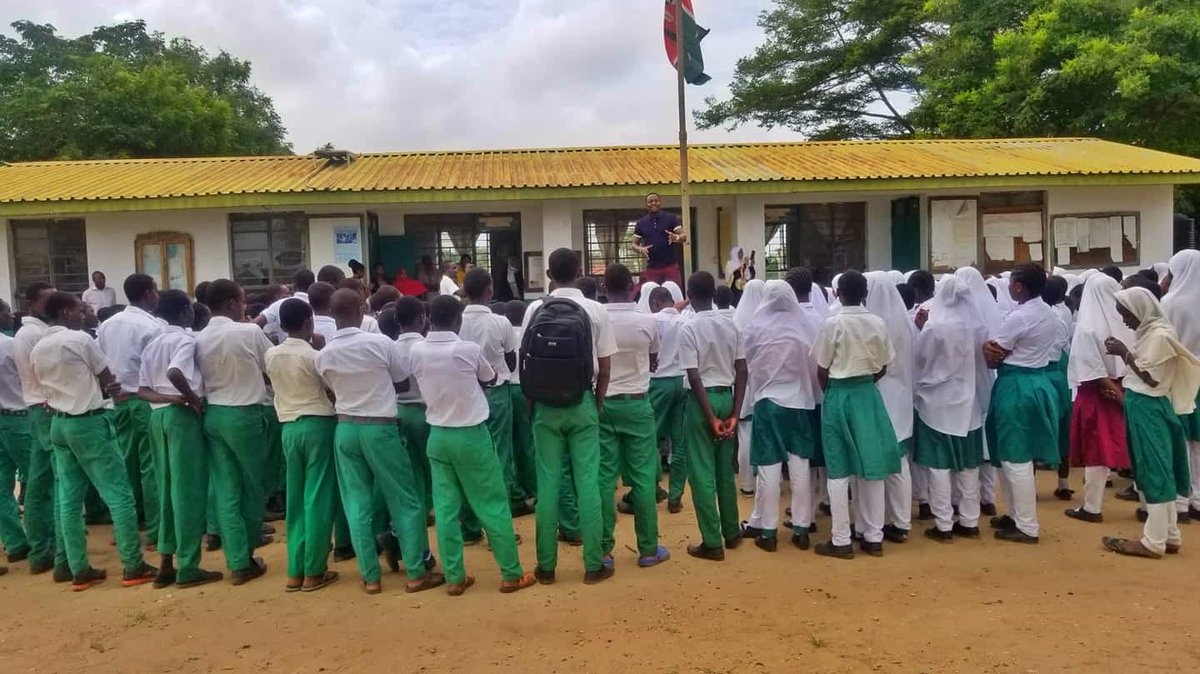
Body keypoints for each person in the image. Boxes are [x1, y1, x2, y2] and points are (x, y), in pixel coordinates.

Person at [315, 289, 442, 595]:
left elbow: (329, 387)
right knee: (405, 498)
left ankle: (370, 577)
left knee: (356, 503)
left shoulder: (323, 354)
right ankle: (415, 572)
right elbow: (400, 381)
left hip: (345, 427)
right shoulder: (380, 343)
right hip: (380, 426)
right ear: (361, 309)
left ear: (333, 314)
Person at [410, 296, 537, 595]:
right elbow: (490, 377)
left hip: (438, 435)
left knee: (445, 509)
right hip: (470, 433)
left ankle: (454, 577)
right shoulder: (467, 349)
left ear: (429, 319)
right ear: (457, 320)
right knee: (492, 503)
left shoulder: (416, 350)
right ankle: (510, 573)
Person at [30, 291, 157, 590]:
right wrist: (109, 387)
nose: (84, 313)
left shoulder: (39, 346)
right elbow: (107, 378)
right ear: (64, 312)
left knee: (70, 501)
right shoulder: (80, 340)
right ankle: (132, 565)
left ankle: (79, 569)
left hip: (59, 424)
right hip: (88, 421)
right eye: (78, 309)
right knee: (119, 495)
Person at [520, 248, 617, 584]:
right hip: (582, 403)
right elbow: (604, 367)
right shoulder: (596, 310)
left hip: (545, 408)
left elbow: (525, 363)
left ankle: (546, 567)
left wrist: (533, 405)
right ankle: (593, 565)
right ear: (579, 270)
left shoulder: (535, 308)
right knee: (587, 482)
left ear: (549, 273)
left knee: (548, 485)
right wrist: (597, 402)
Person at [1102, 287, 1200, 558]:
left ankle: (1152, 541)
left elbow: (1151, 378)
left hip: (1149, 407)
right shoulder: (1152, 332)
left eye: (1126, 315)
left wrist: (1124, 353)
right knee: (1159, 467)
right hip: (1144, 406)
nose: (1125, 321)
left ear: (1139, 311)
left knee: (1154, 468)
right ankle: (1169, 535)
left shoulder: (1159, 335)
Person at [137, 289, 223, 589]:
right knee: (187, 492)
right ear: (186, 310)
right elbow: (176, 371)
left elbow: (142, 390)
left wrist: (167, 399)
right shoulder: (185, 340)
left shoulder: (153, 342)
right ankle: (188, 566)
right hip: (181, 418)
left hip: (157, 416)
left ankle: (165, 562)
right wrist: (190, 399)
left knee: (166, 489)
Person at [812, 271, 900, 559]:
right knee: (871, 465)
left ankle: (841, 539)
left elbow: (822, 368)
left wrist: (834, 393)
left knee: (838, 468)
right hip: (867, 393)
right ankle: (873, 535)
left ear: (837, 294)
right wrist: (864, 384)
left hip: (838, 392)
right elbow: (885, 365)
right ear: (865, 294)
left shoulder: (832, 324)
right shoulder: (877, 322)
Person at [194, 279, 272, 585]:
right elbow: (273, 364)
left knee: (226, 489)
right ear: (231, 303)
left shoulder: (199, 338)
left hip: (214, 414)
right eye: (241, 301)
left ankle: (237, 560)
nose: (244, 307)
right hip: (245, 415)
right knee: (252, 489)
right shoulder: (249, 331)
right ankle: (246, 558)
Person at [739, 277, 822, 552]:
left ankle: (768, 531)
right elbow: (814, 364)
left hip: (768, 401)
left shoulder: (755, 328)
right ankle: (801, 529)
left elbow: (749, 365)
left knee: (769, 468)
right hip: (799, 402)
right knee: (799, 468)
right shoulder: (804, 327)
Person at [264, 299, 340, 593]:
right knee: (318, 497)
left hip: (289, 428)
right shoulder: (314, 356)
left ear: (282, 326)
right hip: (318, 424)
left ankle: (295, 571)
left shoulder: (271, 354)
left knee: (296, 500)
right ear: (310, 323)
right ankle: (314, 569)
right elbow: (332, 389)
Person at [598, 264, 670, 568]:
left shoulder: (595, 320)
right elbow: (654, 361)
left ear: (604, 287)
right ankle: (649, 549)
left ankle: (603, 550)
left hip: (603, 404)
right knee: (642, 477)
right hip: (638, 404)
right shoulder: (647, 321)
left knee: (603, 478)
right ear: (633, 286)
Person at [984, 263, 1060, 545]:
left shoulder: (1020, 317)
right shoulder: (1048, 313)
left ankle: (1027, 524)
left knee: (1015, 457)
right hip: (1035, 380)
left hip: (1016, 383)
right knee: (1011, 454)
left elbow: (994, 354)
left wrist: (987, 349)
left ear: (1018, 286)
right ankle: (1015, 514)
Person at [678, 271, 747, 562]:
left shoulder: (689, 328)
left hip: (701, 402)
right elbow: (742, 370)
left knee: (702, 473)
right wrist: (734, 413)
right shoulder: (731, 325)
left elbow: (693, 376)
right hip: (726, 397)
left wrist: (709, 418)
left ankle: (711, 541)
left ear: (690, 296)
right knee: (723, 471)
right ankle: (731, 533)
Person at [912, 276, 984, 542]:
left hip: (937, 402)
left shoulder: (935, 327)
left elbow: (921, 358)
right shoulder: (975, 326)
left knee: (938, 466)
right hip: (968, 402)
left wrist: (921, 327)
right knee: (967, 466)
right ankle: (969, 520)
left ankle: (943, 524)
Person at [97, 273, 164, 551]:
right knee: (151, 464)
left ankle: (127, 524)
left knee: (126, 462)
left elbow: (101, 361)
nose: (157, 296)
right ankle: (156, 530)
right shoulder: (152, 326)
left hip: (118, 399)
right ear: (148, 293)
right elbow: (156, 366)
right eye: (156, 291)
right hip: (143, 398)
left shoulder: (107, 325)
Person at [459, 269, 527, 526]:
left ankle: (470, 523)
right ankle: (499, 518)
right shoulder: (500, 323)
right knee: (500, 454)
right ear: (489, 290)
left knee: (469, 458)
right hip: (497, 393)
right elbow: (511, 360)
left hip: (465, 394)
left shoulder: (456, 321)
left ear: (465, 291)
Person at [1064, 274, 1132, 523]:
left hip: (1097, 395)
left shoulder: (1086, 327)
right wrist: (1123, 393)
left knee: (1096, 450)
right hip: (1127, 389)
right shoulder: (1126, 321)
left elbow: (1092, 370)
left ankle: (1092, 507)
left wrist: (1114, 393)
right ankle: (1148, 503)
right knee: (1132, 447)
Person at [13, 282, 69, 581]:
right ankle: (62, 554)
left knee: (38, 481)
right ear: (33, 302)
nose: (54, 303)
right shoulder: (36, 334)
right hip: (46, 408)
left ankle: (39, 550)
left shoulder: (26, 333)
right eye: (48, 298)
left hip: (36, 409)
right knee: (62, 480)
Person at [864, 272, 916, 545]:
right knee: (899, 461)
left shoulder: (875, 324)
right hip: (902, 393)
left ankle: (875, 521)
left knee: (875, 458)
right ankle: (901, 521)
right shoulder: (904, 321)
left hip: (879, 394)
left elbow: (876, 367)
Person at [1162, 250, 1200, 521]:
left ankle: (1181, 499)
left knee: (1181, 439)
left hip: (1179, 376)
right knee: (1198, 440)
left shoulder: (1171, 303)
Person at [646, 286, 689, 513]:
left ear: (654, 303)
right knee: (679, 441)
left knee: (648, 437)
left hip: (658, 382)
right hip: (681, 382)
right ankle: (675, 498)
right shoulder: (685, 322)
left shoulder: (652, 320)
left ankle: (650, 488)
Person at [0, 298, 31, 565]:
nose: (11, 316)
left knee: (1, 487)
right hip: (18, 418)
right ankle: (42, 539)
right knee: (37, 479)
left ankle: (14, 542)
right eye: (6, 312)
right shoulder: (9, 346)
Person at [731, 279, 766, 496]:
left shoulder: (737, 322)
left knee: (744, 433)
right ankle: (768, 482)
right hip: (765, 383)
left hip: (743, 383)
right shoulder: (768, 321)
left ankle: (746, 483)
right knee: (766, 436)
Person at [1042, 276, 1074, 501]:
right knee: (1063, 428)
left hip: (1039, 373)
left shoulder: (1030, 316)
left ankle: (1029, 486)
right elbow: (1067, 347)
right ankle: (1063, 484)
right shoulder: (1063, 317)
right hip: (1059, 374)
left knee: (1034, 428)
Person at [503, 300, 537, 509]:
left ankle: (514, 490)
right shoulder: (528, 334)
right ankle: (534, 488)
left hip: (506, 390)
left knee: (508, 445)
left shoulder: (503, 333)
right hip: (525, 390)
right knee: (528, 442)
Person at [632, 193, 687, 286]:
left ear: (660, 203)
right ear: (646, 205)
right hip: (652, 268)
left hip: (671, 266)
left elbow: (683, 236)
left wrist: (676, 237)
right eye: (650, 201)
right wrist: (640, 249)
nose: (653, 203)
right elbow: (633, 244)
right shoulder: (641, 223)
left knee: (673, 294)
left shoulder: (670, 218)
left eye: (656, 201)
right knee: (653, 296)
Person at [256, 269, 316, 343]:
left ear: (294, 286)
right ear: (313, 284)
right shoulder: (321, 305)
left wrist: (267, 345)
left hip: (283, 352)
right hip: (314, 352)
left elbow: (256, 324)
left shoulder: (279, 304)